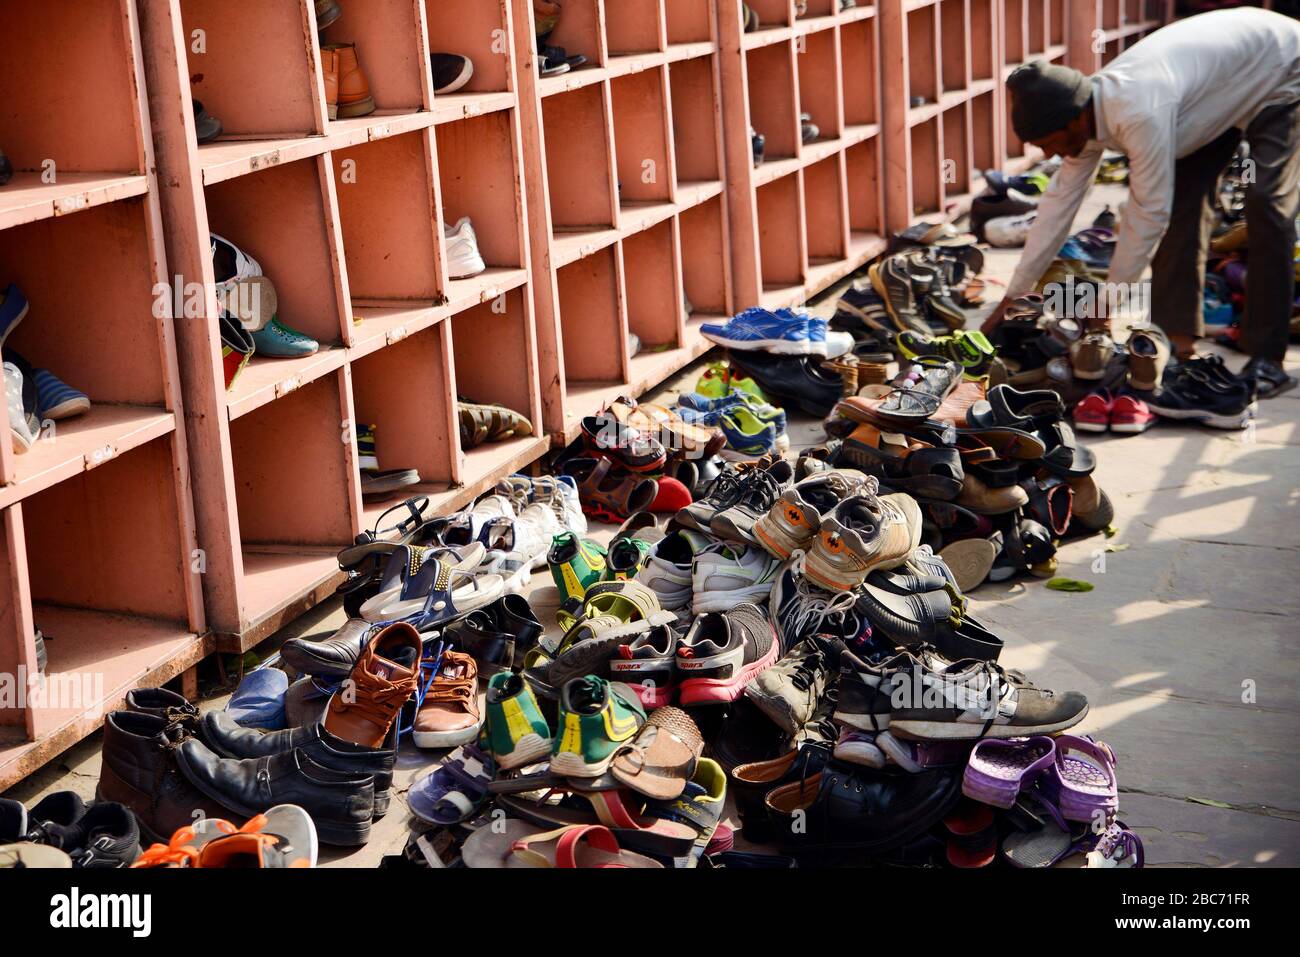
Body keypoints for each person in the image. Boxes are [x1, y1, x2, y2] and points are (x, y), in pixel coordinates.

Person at [982, 7, 1300, 399]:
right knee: (1185, 206)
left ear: (1071, 122)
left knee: (1267, 204)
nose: (1049, 152)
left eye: (1046, 143)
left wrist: (1108, 301)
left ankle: (1266, 355)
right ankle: (1177, 343)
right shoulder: (1083, 114)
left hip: (1282, 68)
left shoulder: (1137, 110)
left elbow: (1148, 212)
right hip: (1214, 94)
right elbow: (1057, 206)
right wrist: (1013, 295)